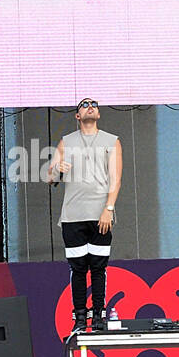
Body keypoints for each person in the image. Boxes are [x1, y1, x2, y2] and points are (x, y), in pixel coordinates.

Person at [46, 99, 122, 333]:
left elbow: (115, 178)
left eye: (94, 104)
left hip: (100, 215)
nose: (90, 106)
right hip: (73, 216)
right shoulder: (66, 142)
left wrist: (108, 209)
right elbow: (50, 178)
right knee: (78, 268)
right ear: (77, 116)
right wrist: (57, 170)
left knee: (98, 267)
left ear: (98, 113)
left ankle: (98, 316)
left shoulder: (111, 141)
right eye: (84, 105)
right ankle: (80, 318)